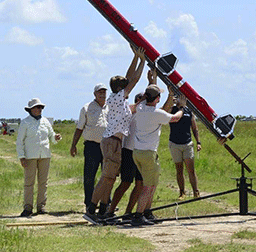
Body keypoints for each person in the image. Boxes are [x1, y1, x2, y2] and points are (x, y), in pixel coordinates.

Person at [86, 46, 145, 221]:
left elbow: (128, 79)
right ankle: (92, 208)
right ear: (121, 89)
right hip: (112, 142)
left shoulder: (118, 99)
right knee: (106, 178)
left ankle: (103, 210)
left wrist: (135, 57)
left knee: (111, 178)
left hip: (114, 142)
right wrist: (141, 61)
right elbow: (133, 80)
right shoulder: (118, 98)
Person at [130, 75, 183, 226]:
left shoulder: (140, 108)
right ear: (158, 98)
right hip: (148, 153)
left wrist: (151, 80)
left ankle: (147, 212)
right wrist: (181, 108)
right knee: (149, 186)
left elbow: (150, 98)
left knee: (149, 183)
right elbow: (175, 118)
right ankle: (139, 215)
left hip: (137, 152)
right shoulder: (156, 114)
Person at [16, 98, 62, 217]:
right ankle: (27, 208)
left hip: (45, 155)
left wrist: (56, 137)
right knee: (29, 183)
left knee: (43, 182)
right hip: (30, 156)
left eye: (40, 107)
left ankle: (41, 207)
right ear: (30, 109)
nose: (39, 109)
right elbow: (19, 141)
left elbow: (51, 136)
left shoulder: (45, 121)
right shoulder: (25, 122)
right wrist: (22, 157)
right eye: (36, 107)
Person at [70, 83, 109, 212]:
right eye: (100, 92)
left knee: (107, 175)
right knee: (89, 176)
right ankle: (89, 203)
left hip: (107, 145)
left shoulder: (110, 107)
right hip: (92, 146)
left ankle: (106, 202)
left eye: (104, 92)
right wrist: (73, 145)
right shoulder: (86, 108)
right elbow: (79, 128)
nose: (102, 94)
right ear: (95, 94)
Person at [163, 93, 202, 200]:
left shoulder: (189, 111)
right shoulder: (172, 109)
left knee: (191, 170)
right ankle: (182, 192)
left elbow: (195, 128)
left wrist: (198, 142)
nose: (180, 99)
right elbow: (164, 113)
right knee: (179, 169)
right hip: (174, 143)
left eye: (182, 97)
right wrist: (172, 101)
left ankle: (196, 191)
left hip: (187, 143)